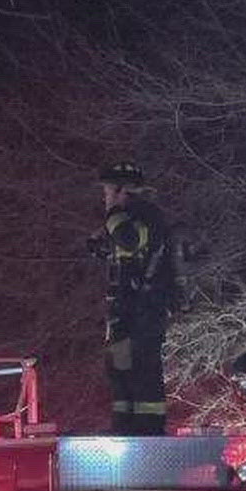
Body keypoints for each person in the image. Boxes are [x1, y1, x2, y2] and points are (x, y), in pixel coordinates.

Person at [93, 162, 178, 436]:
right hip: (124, 310)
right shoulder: (129, 217)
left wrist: (113, 214)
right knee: (119, 370)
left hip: (145, 310)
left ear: (122, 191)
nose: (105, 197)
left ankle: (148, 429)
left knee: (143, 368)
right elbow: (125, 256)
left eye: (108, 191)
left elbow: (130, 241)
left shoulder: (145, 215)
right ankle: (123, 427)